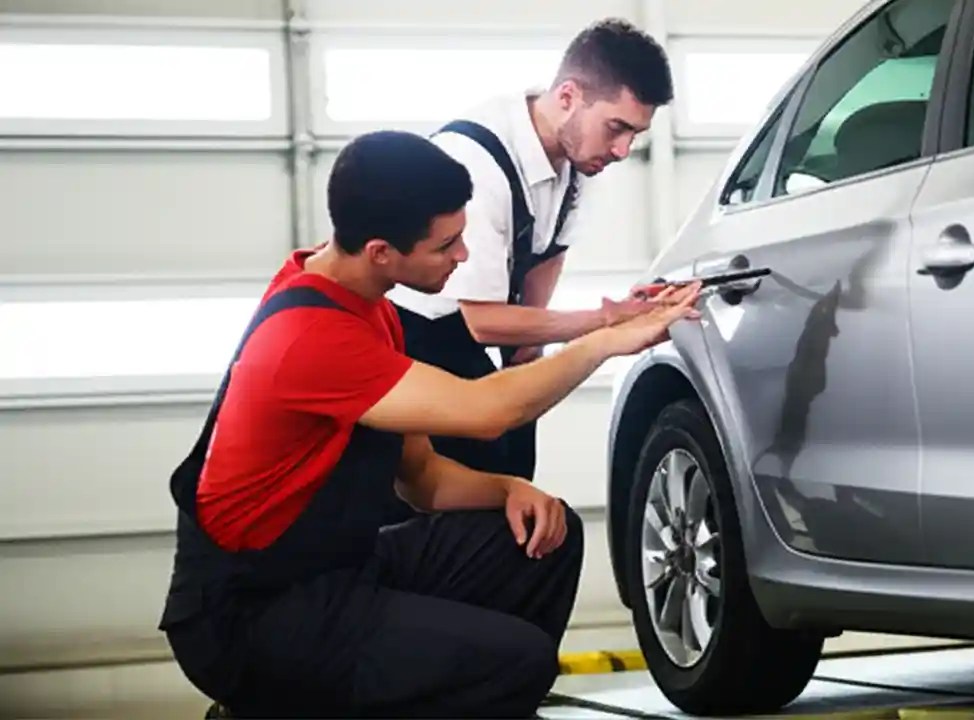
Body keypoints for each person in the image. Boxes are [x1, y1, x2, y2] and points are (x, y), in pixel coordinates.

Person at [157, 129, 700, 719]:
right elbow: (487, 411)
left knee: (545, 538)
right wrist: (607, 341)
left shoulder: (370, 305)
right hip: (252, 616)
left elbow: (420, 477)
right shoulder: (310, 335)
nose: (462, 257)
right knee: (516, 662)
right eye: (447, 245)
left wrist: (506, 488)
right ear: (381, 251)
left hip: (338, 567)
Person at [388, 18, 675, 483]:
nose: (623, 150)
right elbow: (483, 321)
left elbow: (544, 263)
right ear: (567, 97)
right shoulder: (475, 163)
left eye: (635, 135)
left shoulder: (582, 163)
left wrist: (531, 349)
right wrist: (607, 322)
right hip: (417, 342)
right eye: (616, 128)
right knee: (458, 509)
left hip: (489, 341)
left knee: (516, 483)